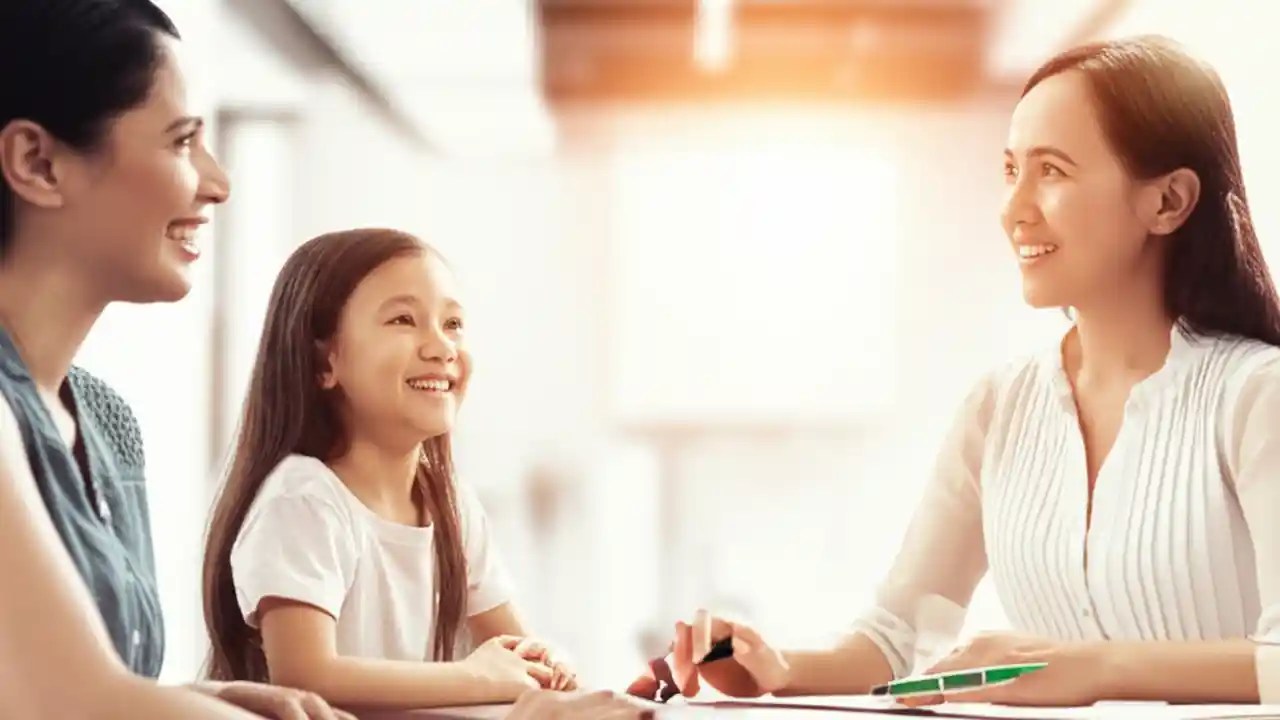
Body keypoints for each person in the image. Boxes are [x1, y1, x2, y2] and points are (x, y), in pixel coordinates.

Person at [0, 2, 644, 717]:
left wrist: (204, 696)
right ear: (37, 163)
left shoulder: (106, 421)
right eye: (182, 142)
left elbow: (60, 688)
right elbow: (77, 700)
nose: (219, 182)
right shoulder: (304, 498)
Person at [660, 35, 1280, 707]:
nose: (1014, 208)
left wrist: (1094, 668)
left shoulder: (1255, 397)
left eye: (1053, 171)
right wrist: (777, 667)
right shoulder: (1000, 407)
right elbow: (898, 637)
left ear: (1168, 202)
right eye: (1011, 170)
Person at [201, 229, 582, 709]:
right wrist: (477, 678)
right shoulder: (304, 499)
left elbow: (512, 650)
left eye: (453, 324)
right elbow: (304, 673)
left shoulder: (450, 503)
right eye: (404, 319)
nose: (441, 347)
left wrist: (545, 663)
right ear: (325, 362)